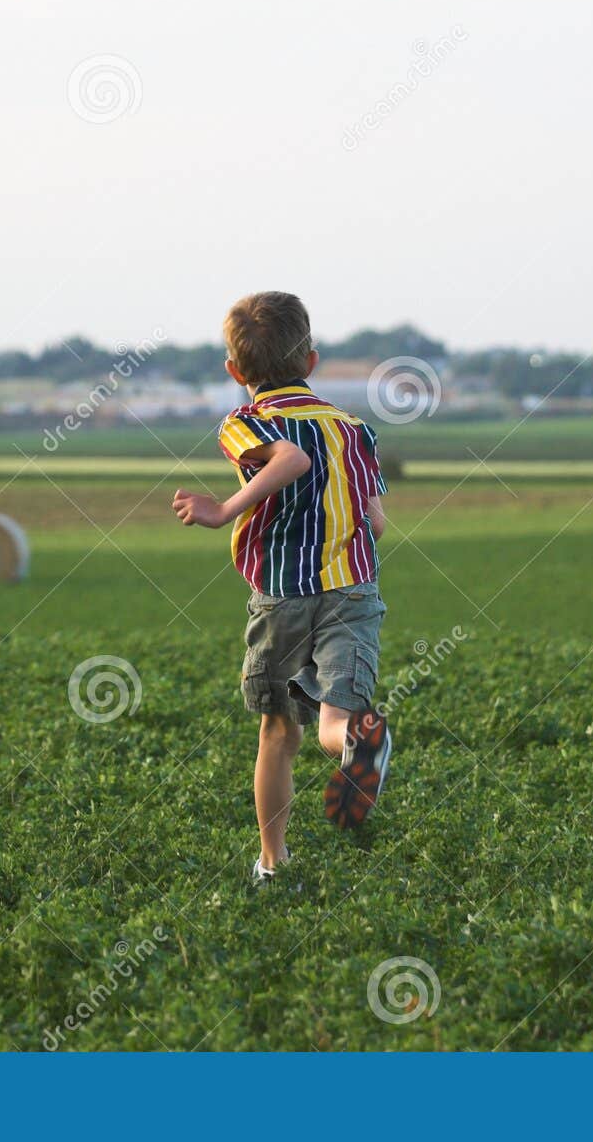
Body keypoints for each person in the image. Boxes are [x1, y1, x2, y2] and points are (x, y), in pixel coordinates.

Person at [171, 291, 392, 887]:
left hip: (283, 594)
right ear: (313, 362)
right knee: (332, 719)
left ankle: (273, 861)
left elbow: (290, 459)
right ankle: (354, 741)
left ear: (235, 372)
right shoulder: (355, 429)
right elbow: (374, 520)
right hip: (353, 589)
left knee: (278, 731)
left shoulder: (245, 422)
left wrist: (224, 510)